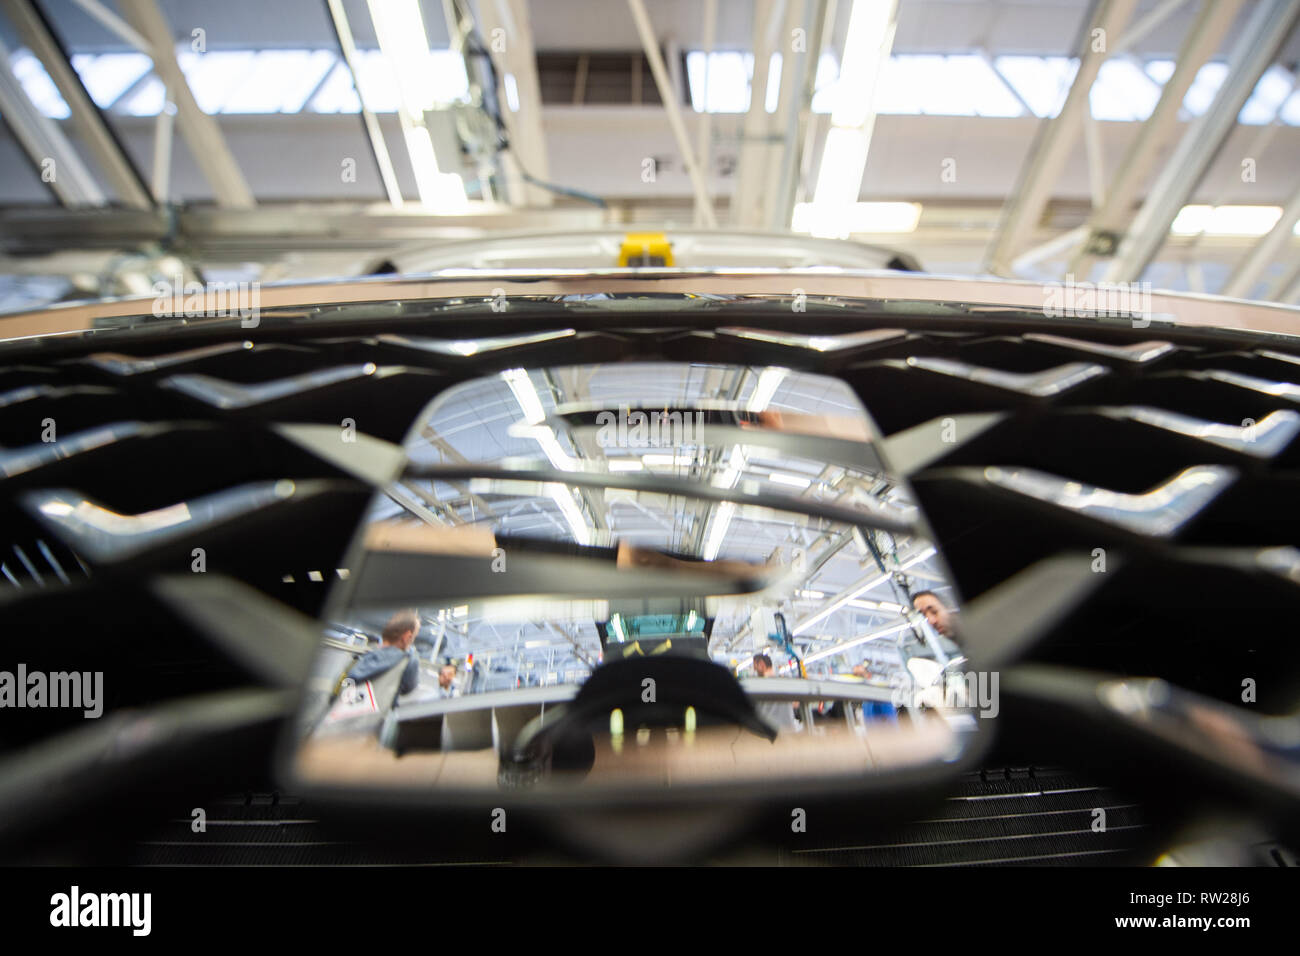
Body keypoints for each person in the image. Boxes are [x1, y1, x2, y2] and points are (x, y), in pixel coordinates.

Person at [347, 609, 421, 696]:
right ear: (407, 636)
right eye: (413, 637)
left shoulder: (363, 656)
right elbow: (408, 688)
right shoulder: (407, 660)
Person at [750, 653, 799, 731]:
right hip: (789, 731)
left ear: (761, 665)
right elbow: (796, 704)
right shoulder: (786, 682)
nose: (755, 671)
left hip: (770, 733)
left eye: (755, 668)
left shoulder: (758, 686)